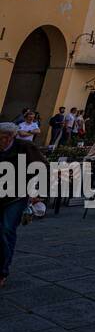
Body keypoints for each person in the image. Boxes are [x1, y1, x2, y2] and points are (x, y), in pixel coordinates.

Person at [0, 122, 48, 287]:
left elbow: (43, 168)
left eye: (2, 138)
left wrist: (38, 192)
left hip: (16, 196)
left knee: (6, 230)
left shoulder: (25, 147)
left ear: (10, 137)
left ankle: (2, 271)